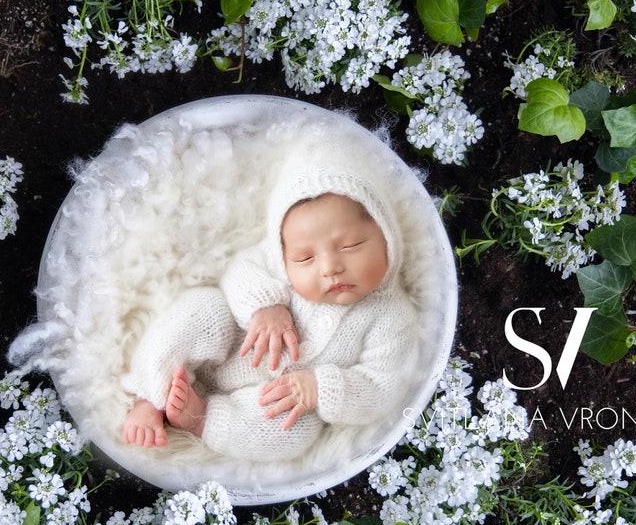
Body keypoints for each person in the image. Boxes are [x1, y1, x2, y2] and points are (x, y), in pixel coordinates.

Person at [121, 169, 419, 462]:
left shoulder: (392, 318)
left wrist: (321, 388)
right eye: (305, 258)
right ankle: (151, 394)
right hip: (231, 342)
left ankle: (201, 419)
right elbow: (241, 269)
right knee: (205, 307)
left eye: (350, 246)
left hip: (279, 398)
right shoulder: (276, 261)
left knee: (297, 429)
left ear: (386, 236)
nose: (329, 267)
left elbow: (382, 387)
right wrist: (265, 306)